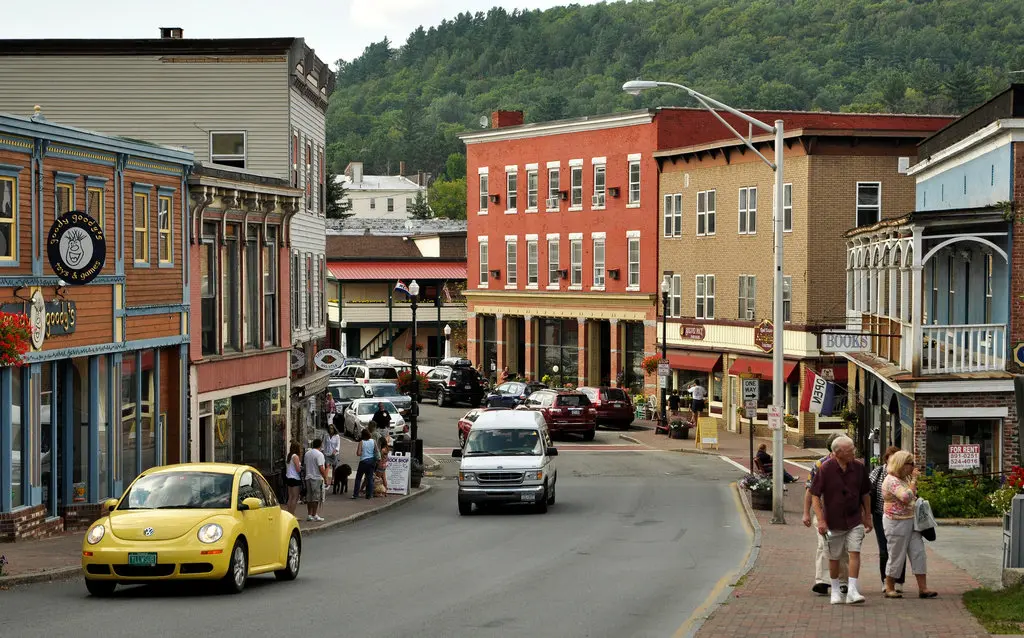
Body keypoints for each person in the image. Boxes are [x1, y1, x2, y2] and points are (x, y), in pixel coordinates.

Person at [810, 435, 872, 605]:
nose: (854, 452)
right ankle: (835, 590)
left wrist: (867, 516)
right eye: (850, 450)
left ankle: (852, 590)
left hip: (854, 519)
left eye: (853, 449)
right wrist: (821, 520)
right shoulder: (825, 468)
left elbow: (865, 493)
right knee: (834, 557)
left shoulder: (859, 468)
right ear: (837, 453)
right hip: (833, 520)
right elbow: (815, 494)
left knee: (854, 552)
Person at [882, 450, 937, 599]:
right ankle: (889, 586)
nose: (913, 467)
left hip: (910, 520)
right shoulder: (892, 480)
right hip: (896, 522)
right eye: (910, 464)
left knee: (918, 553)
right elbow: (905, 497)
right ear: (901, 464)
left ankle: (923, 588)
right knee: (896, 554)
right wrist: (913, 481)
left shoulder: (903, 479)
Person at [803, 432, 849, 597]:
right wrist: (806, 513)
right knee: (824, 546)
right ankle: (822, 581)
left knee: (843, 548)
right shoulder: (820, 465)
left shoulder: (852, 465)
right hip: (823, 513)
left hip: (845, 515)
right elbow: (811, 490)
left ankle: (844, 581)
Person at [870, 446, 906, 592]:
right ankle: (885, 580)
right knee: (884, 549)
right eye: (893, 458)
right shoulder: (878, 472)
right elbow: (867, 489)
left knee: (899, 549)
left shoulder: (904, 474)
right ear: (886, 459)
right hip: (880, 515)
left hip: (901, 517)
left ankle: (898, 581)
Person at [303, 439, 328, 522]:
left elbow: (305, 466)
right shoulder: (320, 455)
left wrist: (306, 476)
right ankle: (315, 514)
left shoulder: (307, 454)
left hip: (308, 477)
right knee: (316, 498)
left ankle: (309, 514)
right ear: (320, 445)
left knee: (309, 497)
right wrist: (325, 478)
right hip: (316, 477)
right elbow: (321, 468)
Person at [352, 429, 377, 500]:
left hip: (363, 461)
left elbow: (358, 453)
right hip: (371, 461)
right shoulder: (373, 441)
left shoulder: (361, 442)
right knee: (369, 478)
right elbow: (376, 451)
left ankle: (355, 494)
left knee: (358, 478)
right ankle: (369, 495)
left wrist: (363, 452)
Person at [283, 442, 303, 515]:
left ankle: (289, 513)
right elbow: (298, 469)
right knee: (295, 497)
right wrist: (301, 468)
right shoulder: (295, 457)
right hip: (295, 478)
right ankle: (293, 514)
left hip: (288, 477)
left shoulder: (289, 456)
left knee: (290, 497)